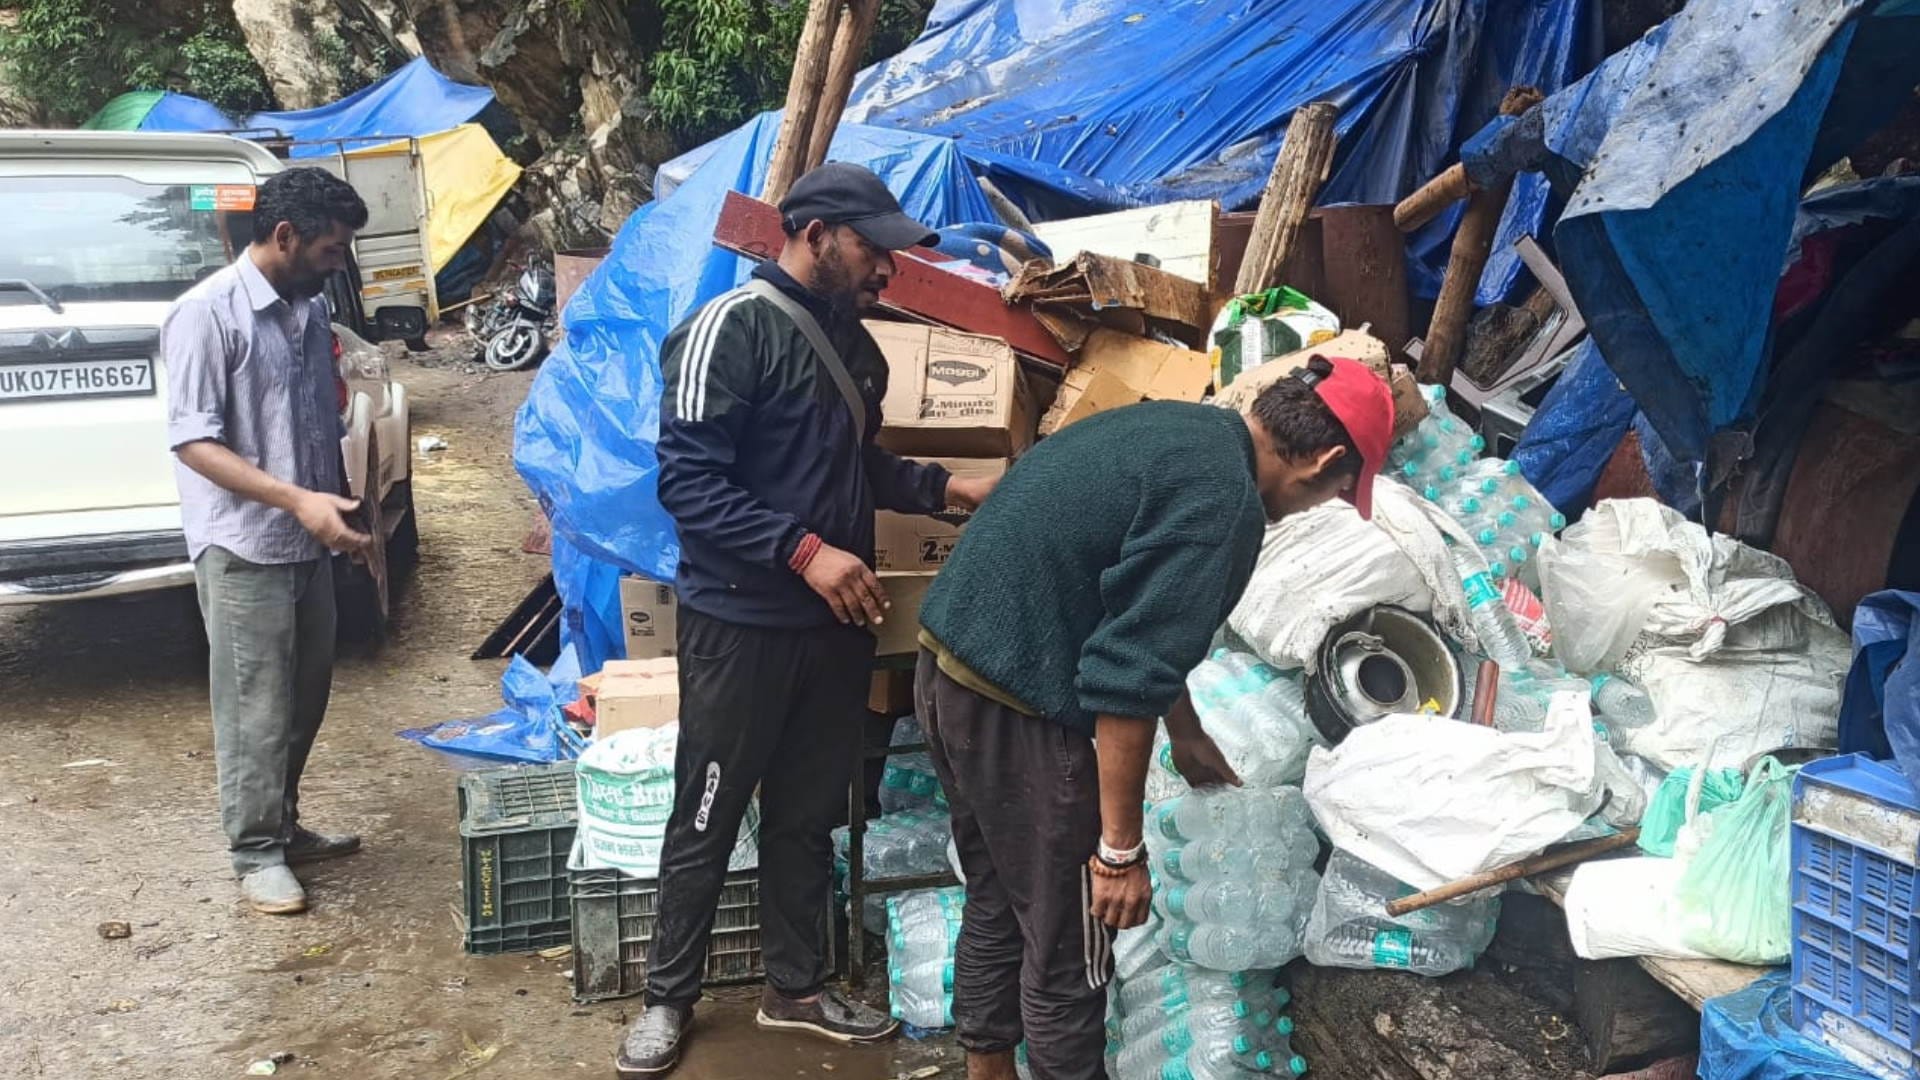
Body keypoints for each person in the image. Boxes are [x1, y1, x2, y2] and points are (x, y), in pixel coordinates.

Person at [616, 162, 998, 1078]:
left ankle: (794, 986)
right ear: (818, 231)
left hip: (836, 629)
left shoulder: (856, 348)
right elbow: (689, 486)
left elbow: (853, 466)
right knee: (706, 812)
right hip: (741, 623)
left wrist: (945, 487)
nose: (886, 272)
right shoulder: (729, 331)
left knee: (808, 813)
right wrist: (803, 553)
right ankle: (668, 998)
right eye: (874, 249)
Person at [914, 357, 1396, 1080]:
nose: (1313, 506)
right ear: (1325, 460)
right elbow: (1124, 681)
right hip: (1023, 706)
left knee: (998, 898)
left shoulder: (1185, 430)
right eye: (1333, 491)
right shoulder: (1224, 503)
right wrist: (1119, 851)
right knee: (1071, 944)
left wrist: (1189, 730)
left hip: (948, 671)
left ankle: (989, 1071)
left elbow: (1133, 611)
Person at [163, 167, 373, 916]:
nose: (339, 263)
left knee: (304, 697)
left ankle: (282, 825)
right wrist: (296, 501)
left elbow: (314, 420)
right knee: (256, 706)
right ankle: (254, 852)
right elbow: (193, 442)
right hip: (245, 543)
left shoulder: (307, 312)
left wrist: (342, 510)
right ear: (283, 236)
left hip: (309, 544)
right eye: (331, 249)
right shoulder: (205, 316)